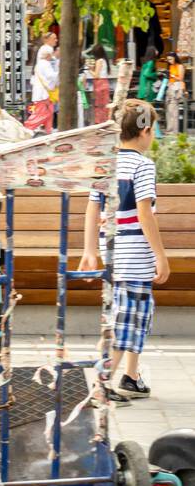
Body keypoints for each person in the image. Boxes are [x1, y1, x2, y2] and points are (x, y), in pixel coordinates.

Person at [79, 99, 168, 400]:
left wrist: (90, 250)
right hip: (135, 258)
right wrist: (160, 256)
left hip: (114, 255)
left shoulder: (106, 163)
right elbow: (145, 214)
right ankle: (100, 386)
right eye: (154, 128)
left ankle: (130, 376)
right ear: (144, 131)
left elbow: (92, 207)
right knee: (127, 324)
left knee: (133, 314)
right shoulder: (143, 166)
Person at [26, 35, 58, 133]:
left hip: (44, 95)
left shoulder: (41, 63)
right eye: (54, 38)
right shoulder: (45, 64)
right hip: (44, 95)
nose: (56, 40)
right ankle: (26, 129)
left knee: (48, 115)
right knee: (41, 115)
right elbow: (52, 76)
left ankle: (48, 132)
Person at [89, 44, 111, 125]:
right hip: (105, 83)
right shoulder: (105, 60)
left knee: (98, 105)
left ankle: (99, 122)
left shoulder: (99, 61)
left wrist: (90, 70)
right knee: (105, 104)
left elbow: (96, 75)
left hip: (99, 83)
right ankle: (106, 121)